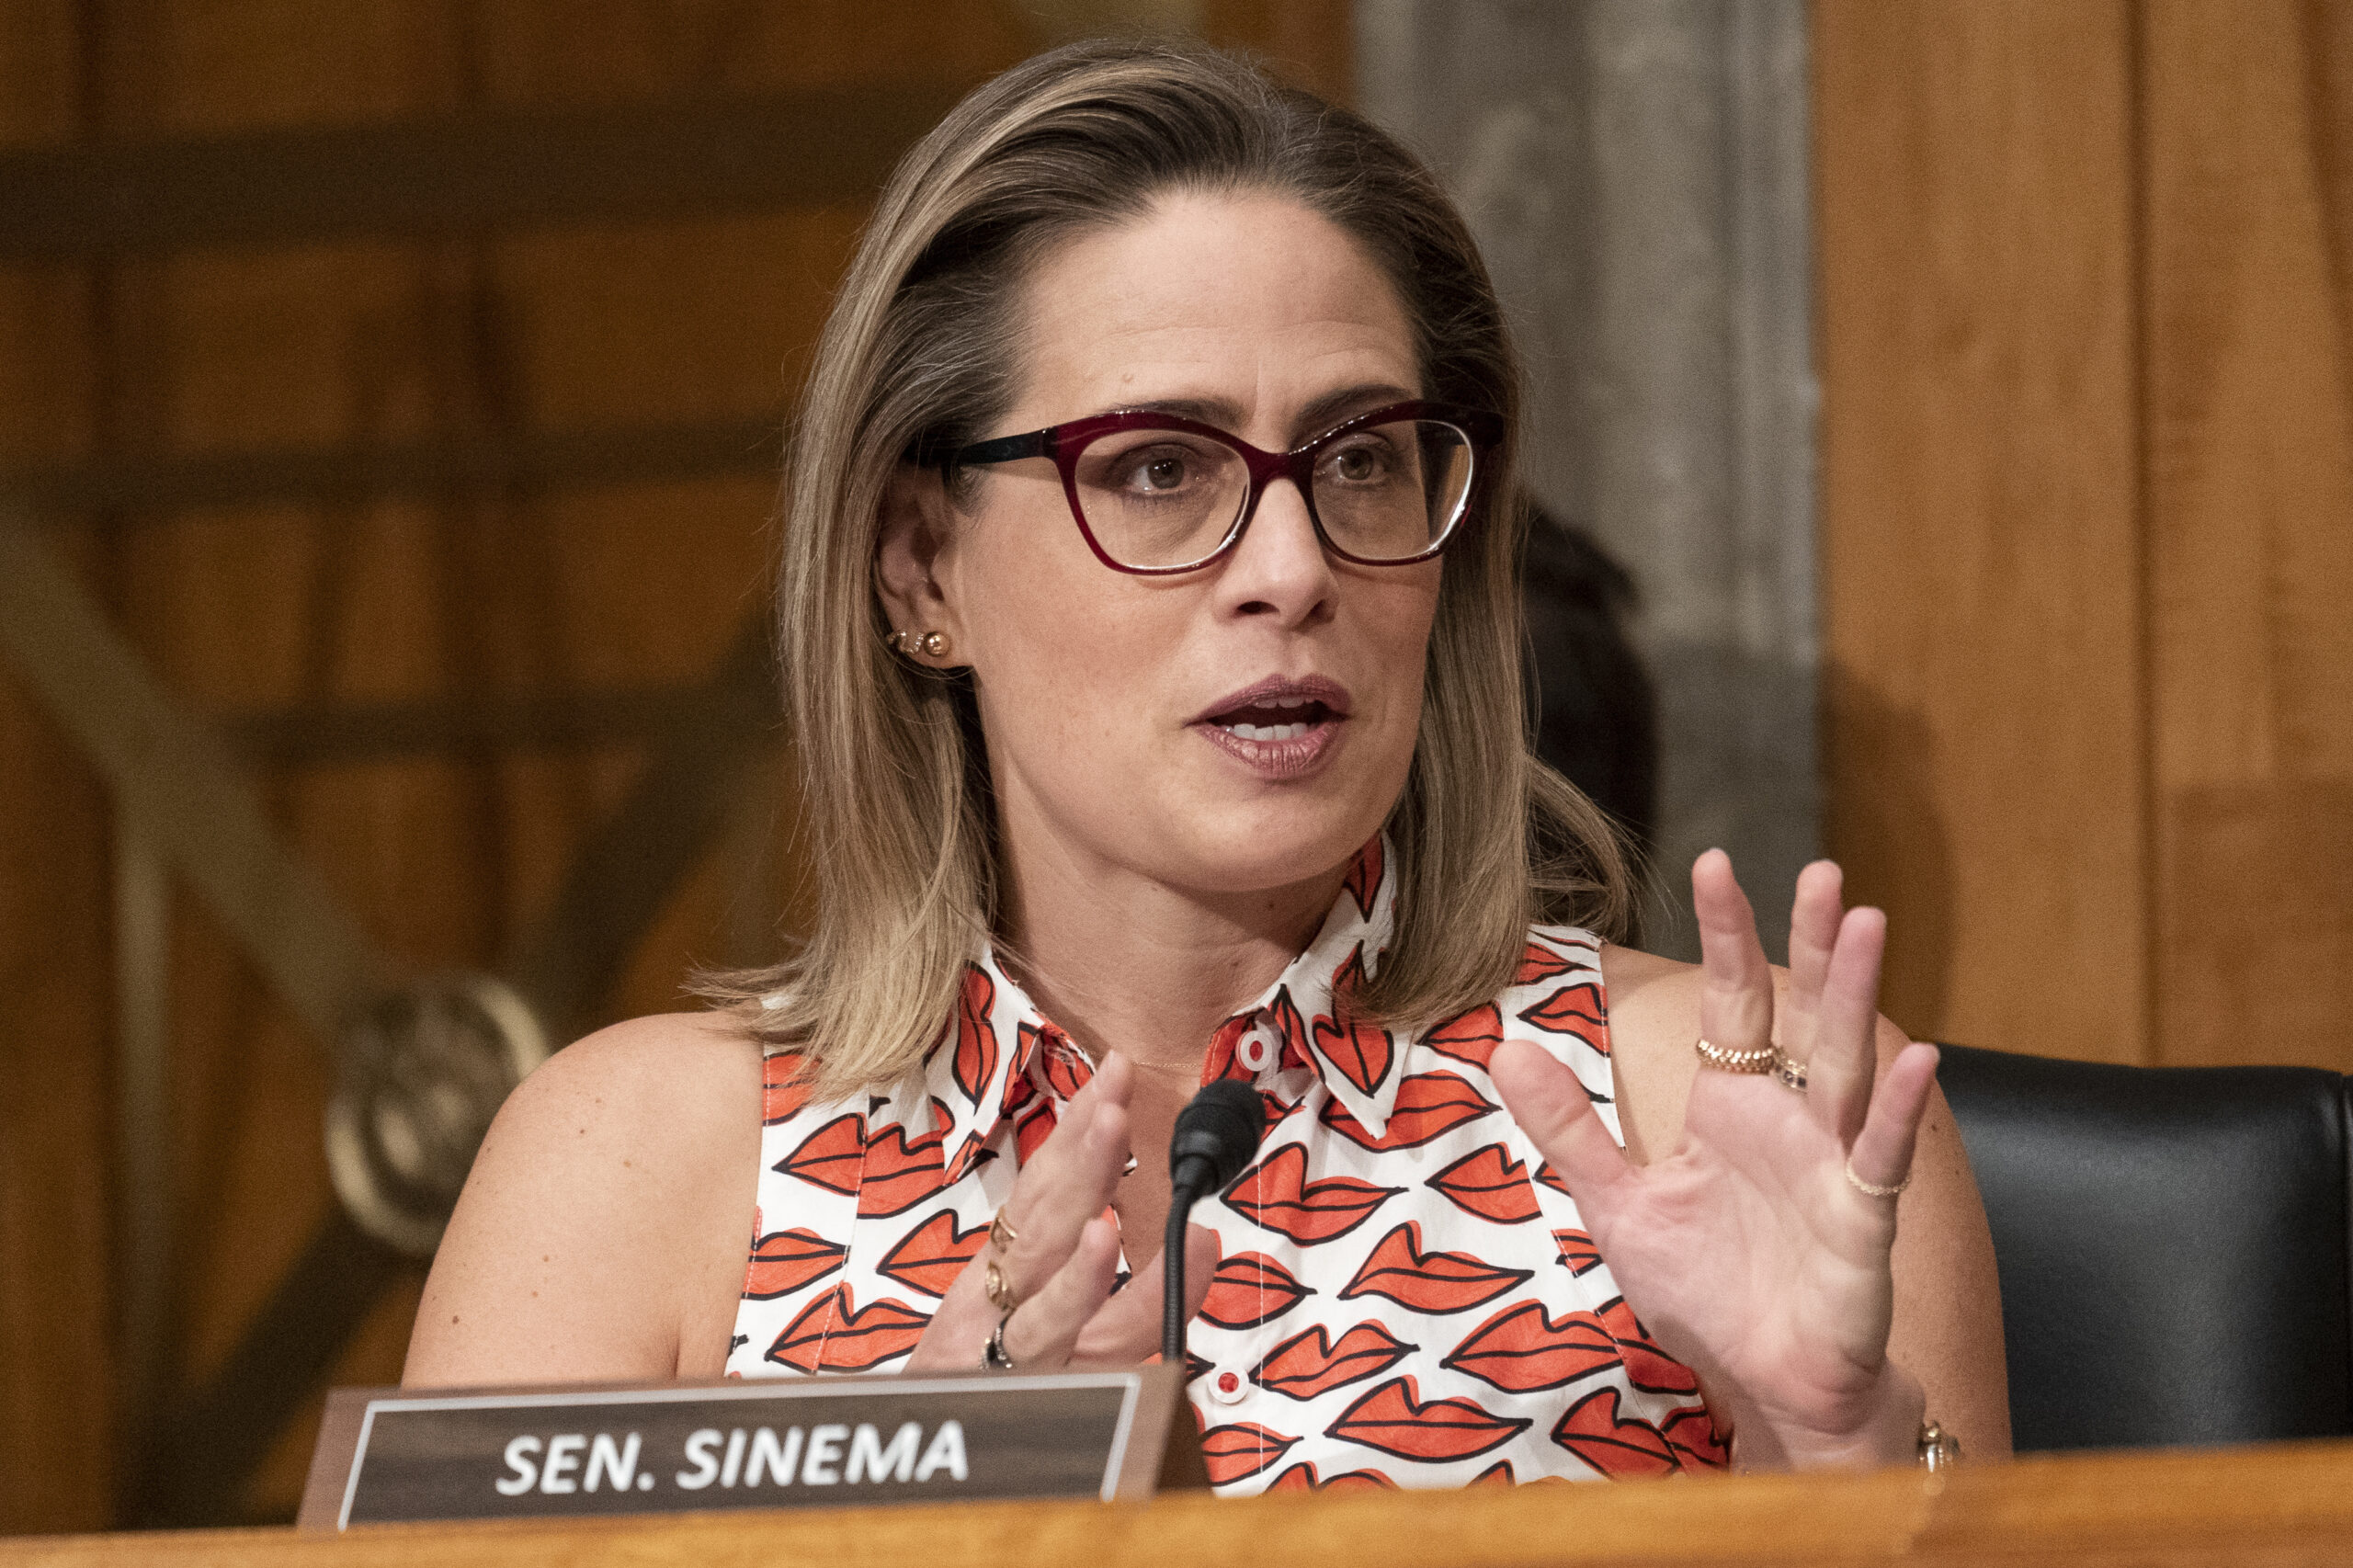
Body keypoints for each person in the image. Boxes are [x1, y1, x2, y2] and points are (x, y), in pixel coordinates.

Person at [404, 39, 2009, 1488]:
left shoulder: (1724, 1104)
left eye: (1362, 460)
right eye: (1162, 468)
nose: (1294, 565)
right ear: (919, 567)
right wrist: (891, 1535)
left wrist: (1838, 1444)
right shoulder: (638, 1171)